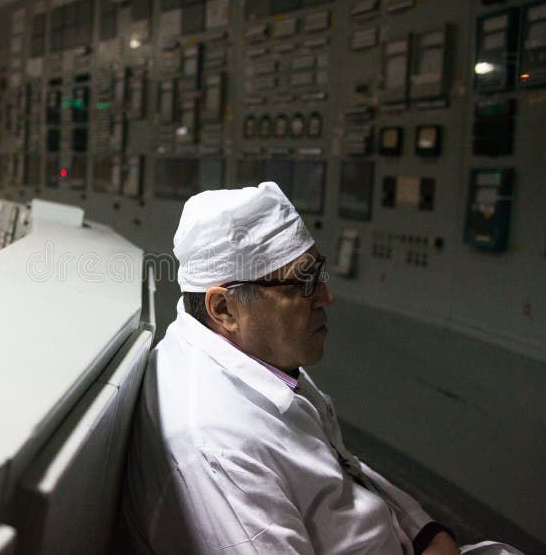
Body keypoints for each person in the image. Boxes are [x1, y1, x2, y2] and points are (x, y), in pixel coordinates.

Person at [121, 182, 522, 555]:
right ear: (224, 308)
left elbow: (343, 466)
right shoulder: (218, 448)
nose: (327, 296)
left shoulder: (250, 358)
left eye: (320, 273)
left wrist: (422, 530)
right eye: (302, 283)